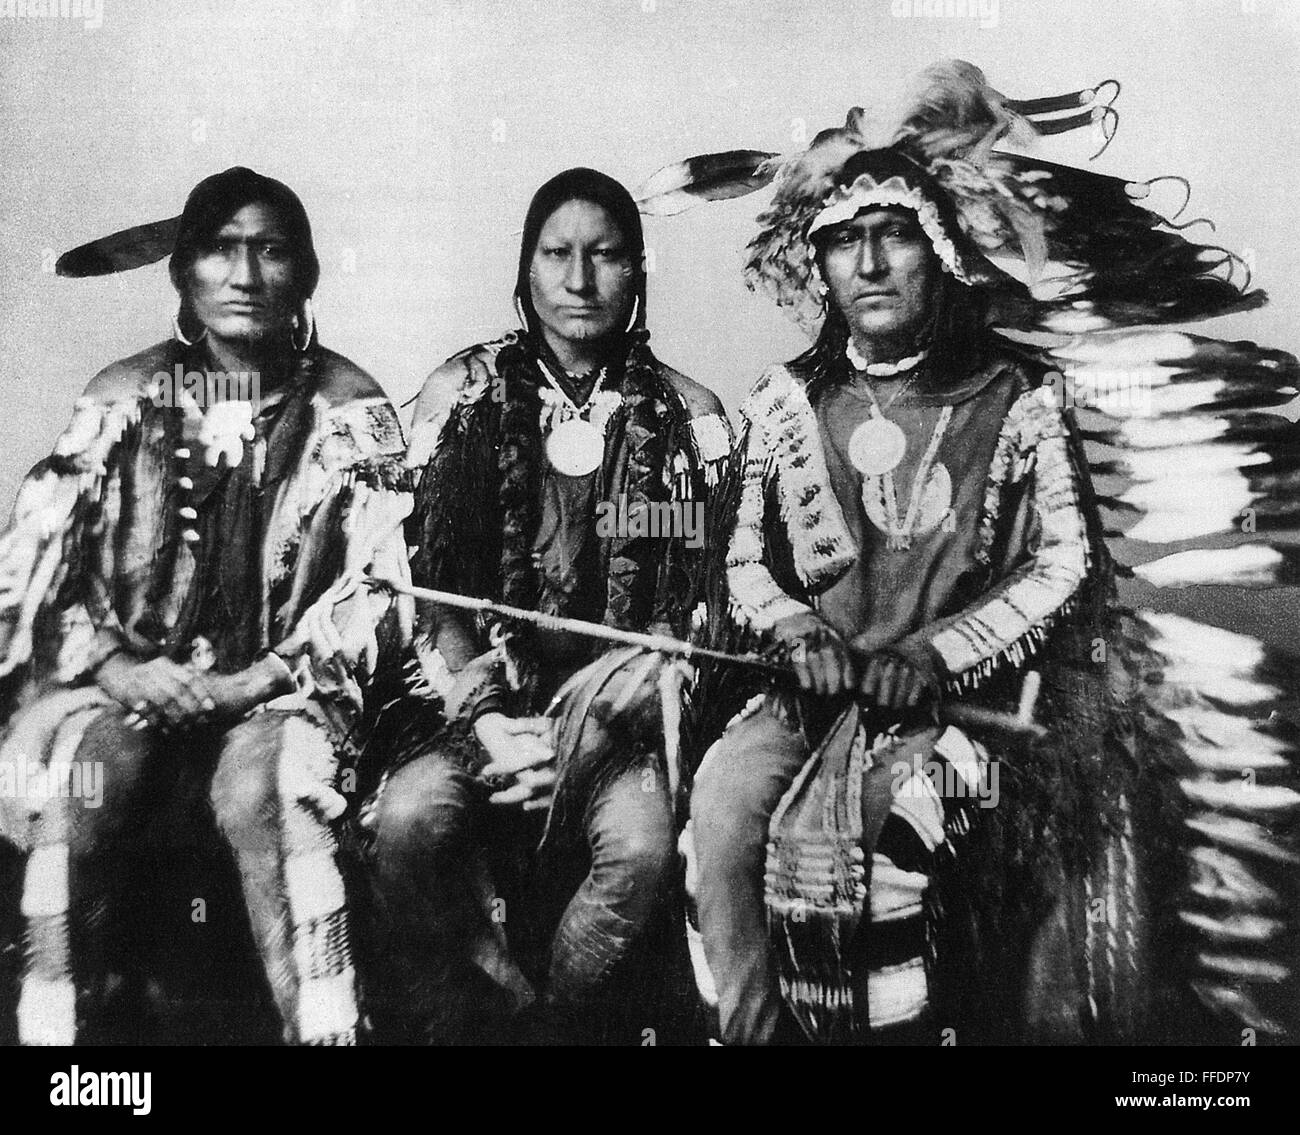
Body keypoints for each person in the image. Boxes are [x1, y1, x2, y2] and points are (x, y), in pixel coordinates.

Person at [0, 167, 413, 1045]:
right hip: (127, 687)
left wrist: (258, 679)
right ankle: (53, 1042)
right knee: (79, 783)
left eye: (270, 251)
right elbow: (41, 573)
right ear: (183, 272)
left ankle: (325, 1028)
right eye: (221, 251)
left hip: (287, 695)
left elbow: (379, 589)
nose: (245, 275)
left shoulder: (351, 407)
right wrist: (119, 666)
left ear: (304, 275)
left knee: (271, 788)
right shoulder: (123, 396)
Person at [358, 167, 731, 1043]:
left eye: (605, 256)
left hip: (621, 717)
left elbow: (699, 609)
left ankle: (552, 1021)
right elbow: (422, 580)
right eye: (555, 254)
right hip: (471, 705)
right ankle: (477, 1014)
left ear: (638, 273)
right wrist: (485, 716)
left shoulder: (691, 414)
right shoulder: (462, 395)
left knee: (638, 853)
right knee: (409, 822)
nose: (579, 279)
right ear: (523, 270)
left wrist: (600, 718)